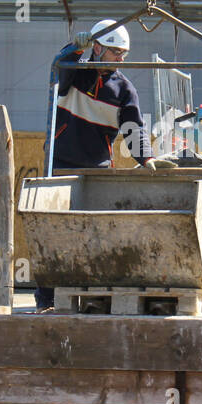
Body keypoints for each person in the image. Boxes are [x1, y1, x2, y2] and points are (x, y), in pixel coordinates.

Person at [34, 18, 169, 311]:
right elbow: (58, 67)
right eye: (114, 52)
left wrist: (147, 159)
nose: (120, 59)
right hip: (58, 164)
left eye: (123, 54)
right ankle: (46, 301)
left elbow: (134, 130)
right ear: (96, 47)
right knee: (51, 235)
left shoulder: (123, 90)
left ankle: (95, 300)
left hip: (96, 169)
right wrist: (73, 48)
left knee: (95, 237)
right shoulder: (73, 73)